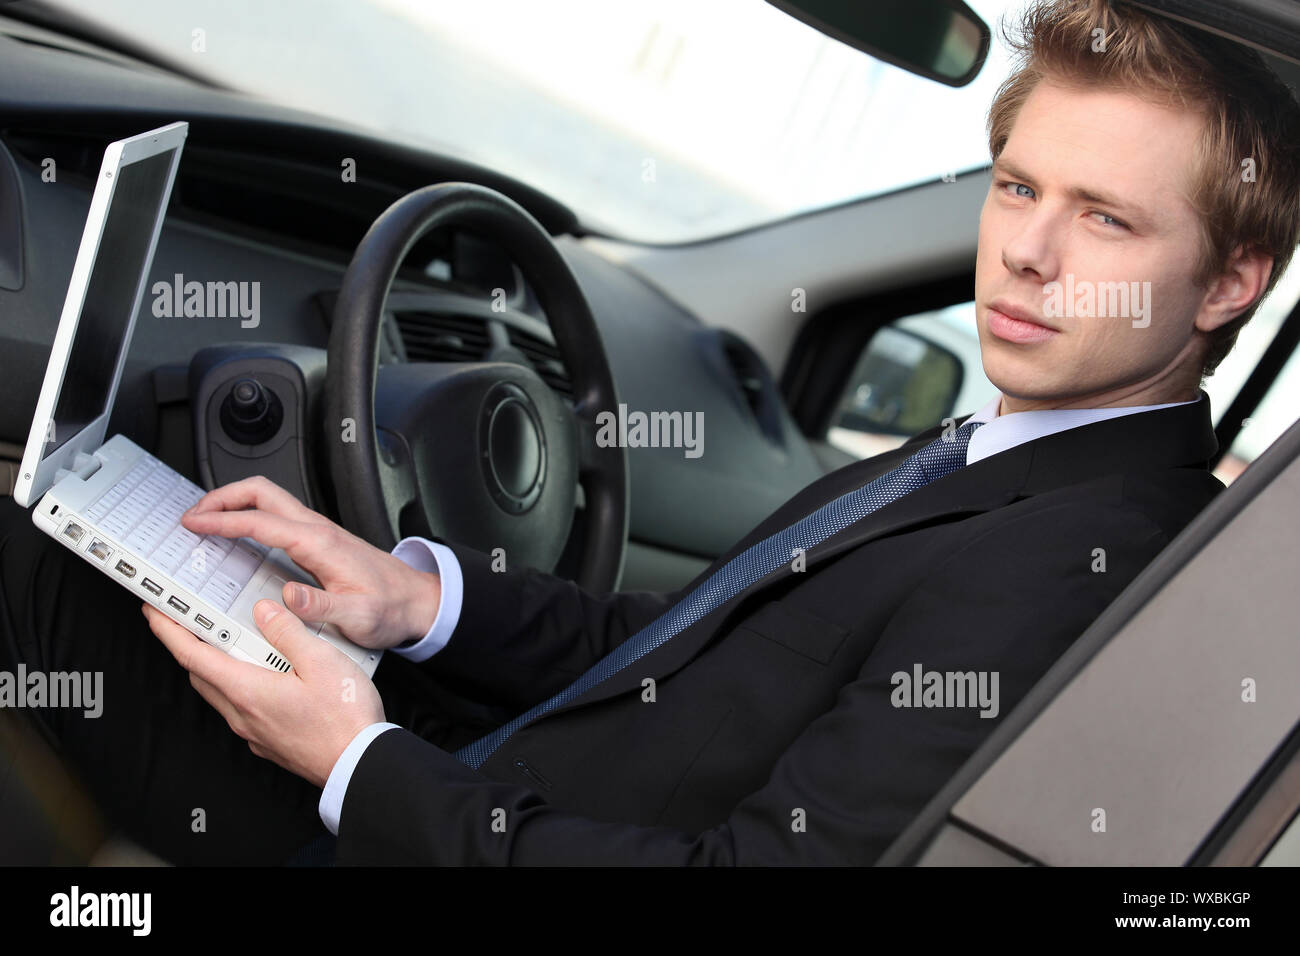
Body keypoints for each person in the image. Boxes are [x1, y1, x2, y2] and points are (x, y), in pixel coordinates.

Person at [1, 0, 1298, 865]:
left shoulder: (1091, 560)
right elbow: (679, 648)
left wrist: (359, 762)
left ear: (1233, 281)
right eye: (1018, 186)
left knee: (28, 564)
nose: (1027, 251)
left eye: (1108, 220)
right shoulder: (1019, 448)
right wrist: (419, 599)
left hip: (424, 829)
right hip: (475, 779)